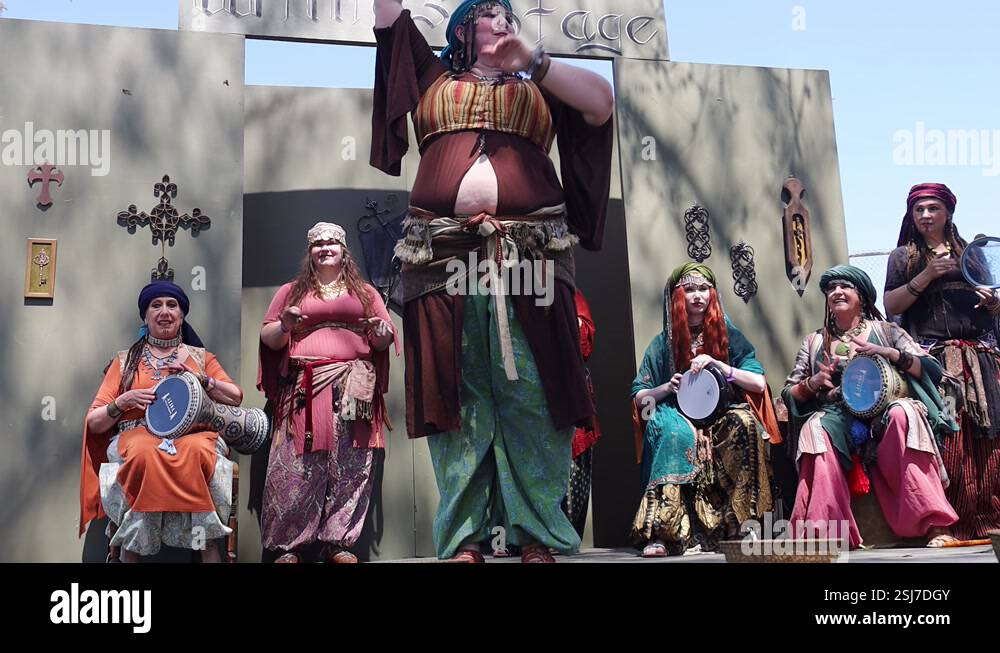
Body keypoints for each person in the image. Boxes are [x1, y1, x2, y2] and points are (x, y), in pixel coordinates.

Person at [371, 0, 614, 563]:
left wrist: (535, 59)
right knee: (458, 396)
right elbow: (386, 17)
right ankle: (466, 539)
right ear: (460, 31)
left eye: (509, 14)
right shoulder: (433, 75)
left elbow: (602, 105)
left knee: (532, 390)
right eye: (487, 12)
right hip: (440, 255)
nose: (502, 17)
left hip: (530, 253)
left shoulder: (542, 82)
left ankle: (535, 535)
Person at [784, 265, 959, 549]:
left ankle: (933, 524)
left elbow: (931, 369)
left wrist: (890, 353)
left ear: (862, 296)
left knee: (906, 414)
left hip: (886, 409)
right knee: (815, 429)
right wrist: (814, 382)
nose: (836, 292)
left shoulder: (887, 331)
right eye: (831, 288)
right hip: (838, 414)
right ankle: (825, 534)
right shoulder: (815, 342)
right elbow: (789, 394)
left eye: (845, 286)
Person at [258, 222, 396, 563]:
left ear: (343, 249)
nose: (324, 248)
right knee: (296, 465)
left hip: (354, 387)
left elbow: (383, 338)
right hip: (305, 389)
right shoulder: (290, 292)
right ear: (310, 253)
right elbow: (269, 338)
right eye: (317, 244)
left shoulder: (366, 292)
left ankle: (338, 543)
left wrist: (381, 332)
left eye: (331, 242)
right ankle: (290, 545)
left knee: (351, 465)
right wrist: (286, 325)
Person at [81, 282, 243, 562]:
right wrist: (123, 401)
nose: (164, 312)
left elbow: (236, 397)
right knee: (144, 454)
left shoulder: (201, 358)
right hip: (138, 436)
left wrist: (203, 379)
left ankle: (208, 548)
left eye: (172, 305)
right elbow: (95, 422)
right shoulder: (125, 361)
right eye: (156, 305)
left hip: (192, 436)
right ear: (145, 316)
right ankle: (131, 552)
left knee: (198, 452)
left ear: (182, 315)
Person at [630, 263, 777, 557]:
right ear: (677, 297)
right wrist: (665, 389)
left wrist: (721, 366)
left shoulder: (730, 337)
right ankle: (663, 533)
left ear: (712, 295)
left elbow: (759, 384)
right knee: (671, 431)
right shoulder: (661, 345)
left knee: (743, 423)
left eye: (703, 289)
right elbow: (640, 398)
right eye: (689, 289)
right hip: (675, 411)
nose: (697, 296)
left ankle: (740, 525)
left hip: (722, 411)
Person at [883, 183, 1000, 540]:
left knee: (987, 439)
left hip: (980, 361)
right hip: (937, 365)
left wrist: (994, 304)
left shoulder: (972, 254)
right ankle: (949, 524)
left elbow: (991, 302)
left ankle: (991, 521)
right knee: (950, 435)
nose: (926, 216)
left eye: (933, 208)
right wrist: (928, 274)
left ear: (948, 212)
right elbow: (892, 305)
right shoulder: (903, 257)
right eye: (919, 210)